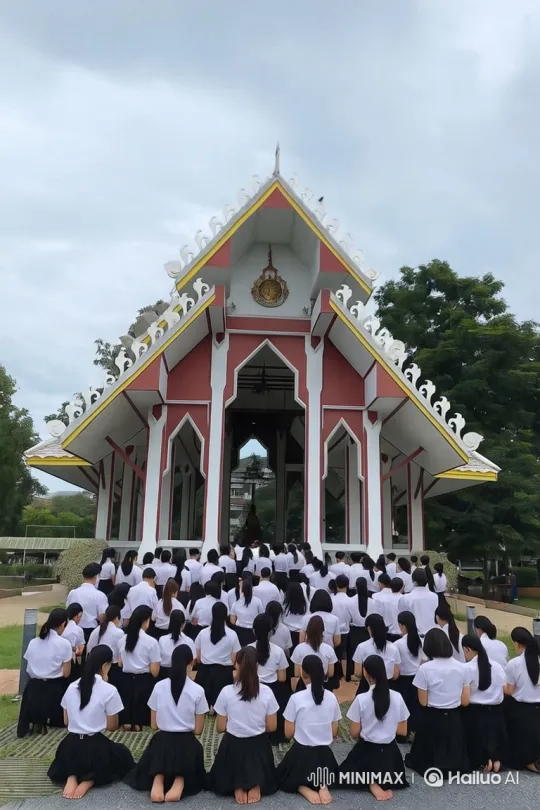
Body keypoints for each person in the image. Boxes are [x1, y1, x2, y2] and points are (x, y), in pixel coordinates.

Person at [48, 645, 134, 799]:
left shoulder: (71, 687)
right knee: (121, 754)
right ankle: (89, 779)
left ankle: (72, 775)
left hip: (70, 745)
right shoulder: (109, 690)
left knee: (76, 757)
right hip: (94, 744)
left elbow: (66, 721)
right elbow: (112, 727)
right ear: (104, 666)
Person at [127, 645, 208, 801]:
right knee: (192, 749)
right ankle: (180, 780)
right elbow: (198, 730)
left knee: (158, 745)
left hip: (162, 740)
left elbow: (153, 725)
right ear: (190, 664)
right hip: (186, 742)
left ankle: (158, 779)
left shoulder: (159, 686)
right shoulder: (198, 690)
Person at [209, 646, 278, 802]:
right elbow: (272, 727)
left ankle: (237, 784)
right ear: (257, 666)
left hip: (232, 745)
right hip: (258, 745)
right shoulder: (267, 692)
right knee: (254, 748)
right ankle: (255, 783)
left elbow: (220, 728)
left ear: (236, 664)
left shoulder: (226, 692)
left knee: (236, 747)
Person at [339, 655, 409, 800]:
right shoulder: (398, 697)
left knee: (341, 775)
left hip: (367, 751)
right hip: (391, 755)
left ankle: (371, 782)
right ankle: (384, 780)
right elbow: (403, 731)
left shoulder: (361, 699)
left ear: (365, 673)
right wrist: (386, 727)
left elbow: (353, 733)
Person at [405, 627, 470, 777]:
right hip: (454, 717)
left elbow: (423, 701)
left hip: (432, 718)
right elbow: (465, 700)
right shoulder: (462, 667)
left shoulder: (425, 669)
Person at [277, 655, 341, 804]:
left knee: (283, 775)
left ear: (303, 673)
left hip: (302, 753)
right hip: (325, 754)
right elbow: (334, 731)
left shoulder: (296, 698)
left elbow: (288, 733)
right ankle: (323, 785)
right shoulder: (331, 697)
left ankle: (302, 787)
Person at [17, 608, 72, 738]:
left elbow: (28, 667)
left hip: (33, 688)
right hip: (54, 689)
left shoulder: (33, 642)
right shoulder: (64, 644)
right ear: (63, 623)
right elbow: (66, 673)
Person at [461, 633, 508, 773]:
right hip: (497, 712)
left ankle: (483, 760)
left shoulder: (467, 668)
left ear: (467, 649)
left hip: (475, 713)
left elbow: (465, 699)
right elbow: (504, 689)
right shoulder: (497, 667)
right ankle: (496, 760)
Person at [117, 605, 161, 730]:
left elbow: (120, 664)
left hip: (125, 680)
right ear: (145, 621)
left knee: (127, 711)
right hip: (144, 681)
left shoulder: (123, 640)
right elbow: (155, 671)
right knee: (140, 714)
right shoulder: (151, 642)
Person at [504, 627, 540, 771]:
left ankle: (529, 762)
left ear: (518, 644)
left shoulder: (514, 664)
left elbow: (509, 691)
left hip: (522, 711)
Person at [251, 614, 289, 742]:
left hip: (251, 687)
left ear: (253, 631)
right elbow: (282, 678)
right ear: (271, 632)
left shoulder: (248, 649)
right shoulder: (278, 651)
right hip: (273, 690)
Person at [195, 601, 241, 707]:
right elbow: (234, 659)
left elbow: (198, 657)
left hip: (204, 674)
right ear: (226, 616)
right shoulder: (232, 635)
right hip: (224, 675)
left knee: (202, 707)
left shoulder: (202, 633)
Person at [394, 611, 424, 735]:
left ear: (403, 626)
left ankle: (403, 732)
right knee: (415, 706)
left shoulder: (398, 644)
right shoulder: (420, 640)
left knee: (403, 707)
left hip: (403, 680)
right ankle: (415, 731)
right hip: (417, 678)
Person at [353, 614, 400, 693]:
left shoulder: (361, 647)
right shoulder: (394, 648)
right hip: (388, 687)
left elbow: (357, 673)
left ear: (369, 629)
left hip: (367, 686)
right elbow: (395, 675)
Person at [346, 577, 379, 680]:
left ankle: (354, 674)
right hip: (369, 632)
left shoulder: (350, 601)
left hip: (354, 632)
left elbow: (348, 619)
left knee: (354, 655)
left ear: (356, 586)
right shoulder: (373, 602)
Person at [291, 616, 337, 689]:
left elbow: (297, 673)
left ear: (307, 631)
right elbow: (330, 673)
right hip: (323, 685)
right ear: (322, 631)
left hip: (304, 685)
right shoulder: (329, 649)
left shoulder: (299, 648)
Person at [66, 563, 109, 642]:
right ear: (96, 577)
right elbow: (103, 617)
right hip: (90, 632)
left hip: (73, 629)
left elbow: (68, 610)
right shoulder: (100, 595)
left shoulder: (73, 593)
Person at [87, 604, 124, 687]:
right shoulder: (119, 633)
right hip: (112, 668)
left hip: (95, 666)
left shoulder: (96, 630)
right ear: (117, 618)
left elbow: (89, 649)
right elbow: (121, 654)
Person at [398, 568, 438, 636]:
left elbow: (401, 616)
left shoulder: (406, 598)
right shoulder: (435, 596)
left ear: (413, 581)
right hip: (432, 635)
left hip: (414, 636)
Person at [159, 610, 195, 678]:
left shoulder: (162, 640)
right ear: (183, 624)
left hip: (163, 675)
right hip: (182, 676)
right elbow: (192, 662)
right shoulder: (189, 641)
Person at [330, 574, 353, 679]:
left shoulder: (331, 598)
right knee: (343, 654)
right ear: (347, 585)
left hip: (331, 630)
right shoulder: (350, 601)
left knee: (332, 653)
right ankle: (344, 676)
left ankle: (333, 673)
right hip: (345, 631)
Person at [230, 579, 264, 646]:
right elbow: (261, 617)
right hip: (253, 632)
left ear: (241, 589)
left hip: (240, 632)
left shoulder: (236, 603)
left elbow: (232, 621)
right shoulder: (258, 601)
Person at [373, 574, 402, 641]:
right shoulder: (402, 598)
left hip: (386, 632)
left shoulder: (376, 597)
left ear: (380, 583)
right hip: (401, 632)